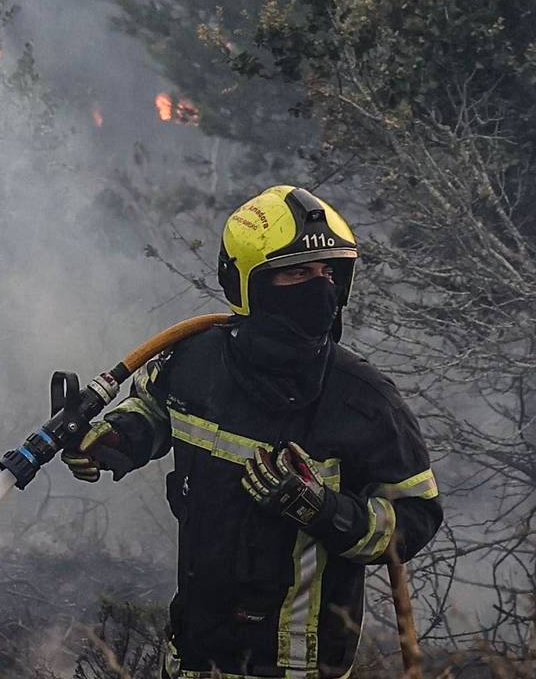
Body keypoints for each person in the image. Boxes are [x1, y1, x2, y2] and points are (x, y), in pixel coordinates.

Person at [64, 185, 441, 679]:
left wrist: (326, 512)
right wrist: (115, 438)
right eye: (298, 272)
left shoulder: (365, 400)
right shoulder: (194, 360)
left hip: (296, 668)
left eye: (330, 273)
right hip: (193, 657)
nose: (321, 288)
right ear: (246, 283)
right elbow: (156, 408)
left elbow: (415, 518)